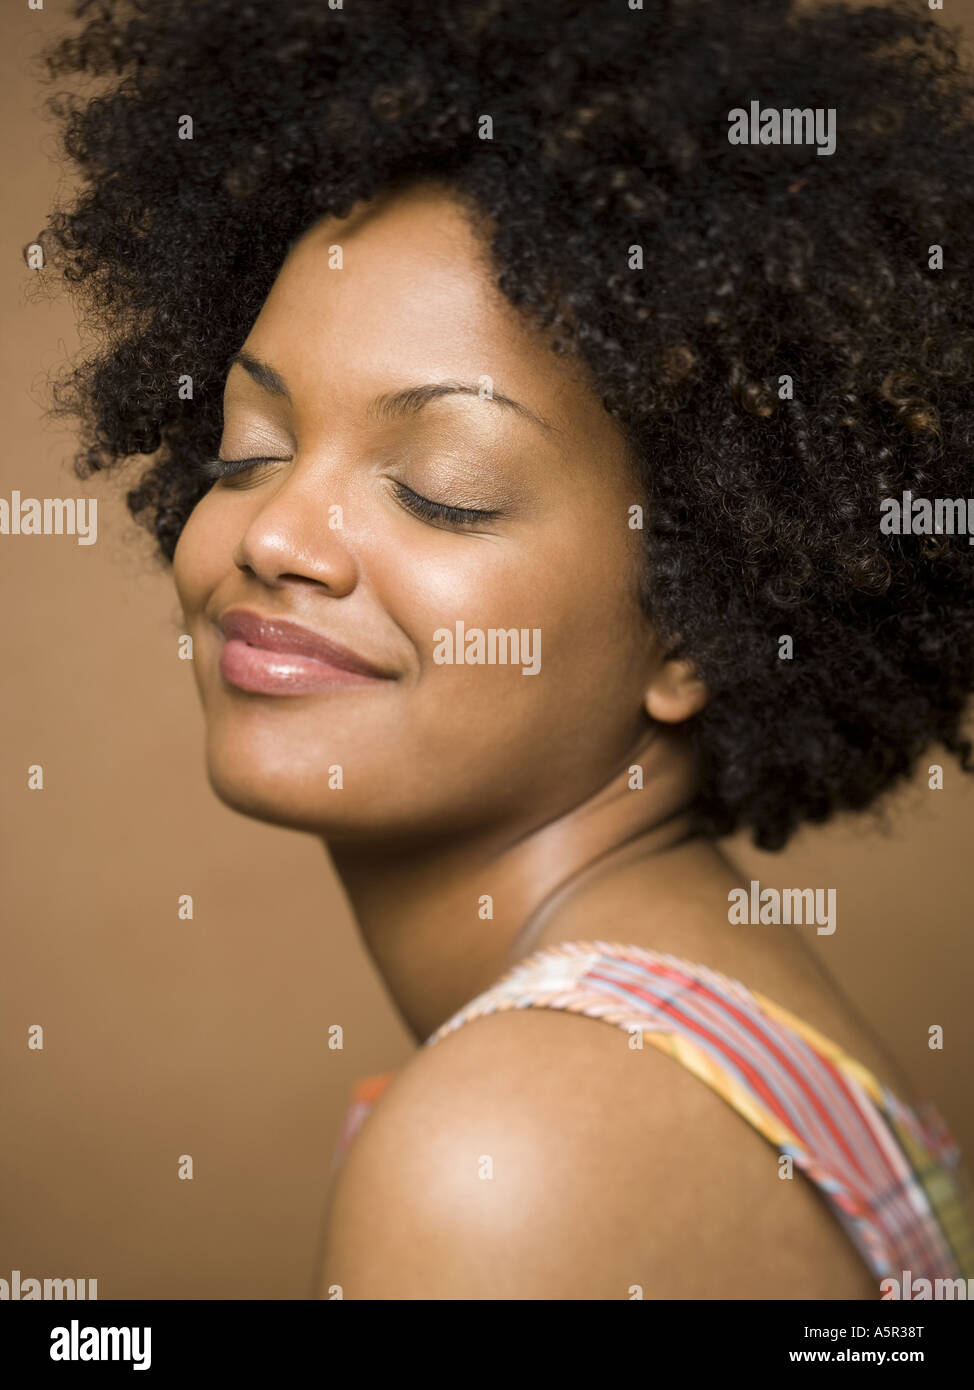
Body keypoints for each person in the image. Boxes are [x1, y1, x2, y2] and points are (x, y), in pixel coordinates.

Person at [37, 0, 974, 1298]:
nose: (277, 536)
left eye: (444, 486)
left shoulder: (517, 1152)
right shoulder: (692, 1050)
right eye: (248, 451)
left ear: (693, 612)